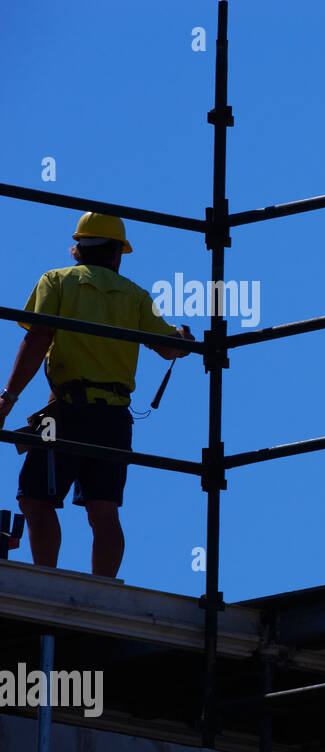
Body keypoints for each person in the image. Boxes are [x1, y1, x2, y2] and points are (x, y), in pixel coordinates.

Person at [0, 212, 194, 577]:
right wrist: (183, 341)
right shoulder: (135, 295)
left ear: (78, 248)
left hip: (66, 411)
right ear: (117, 253)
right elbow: (169, 347)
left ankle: (47, 581)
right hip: (114, 417)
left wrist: (7, 398)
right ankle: (102, 588)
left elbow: (38, 337)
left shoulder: (56, 281)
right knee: (103, 510)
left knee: (35, 498)